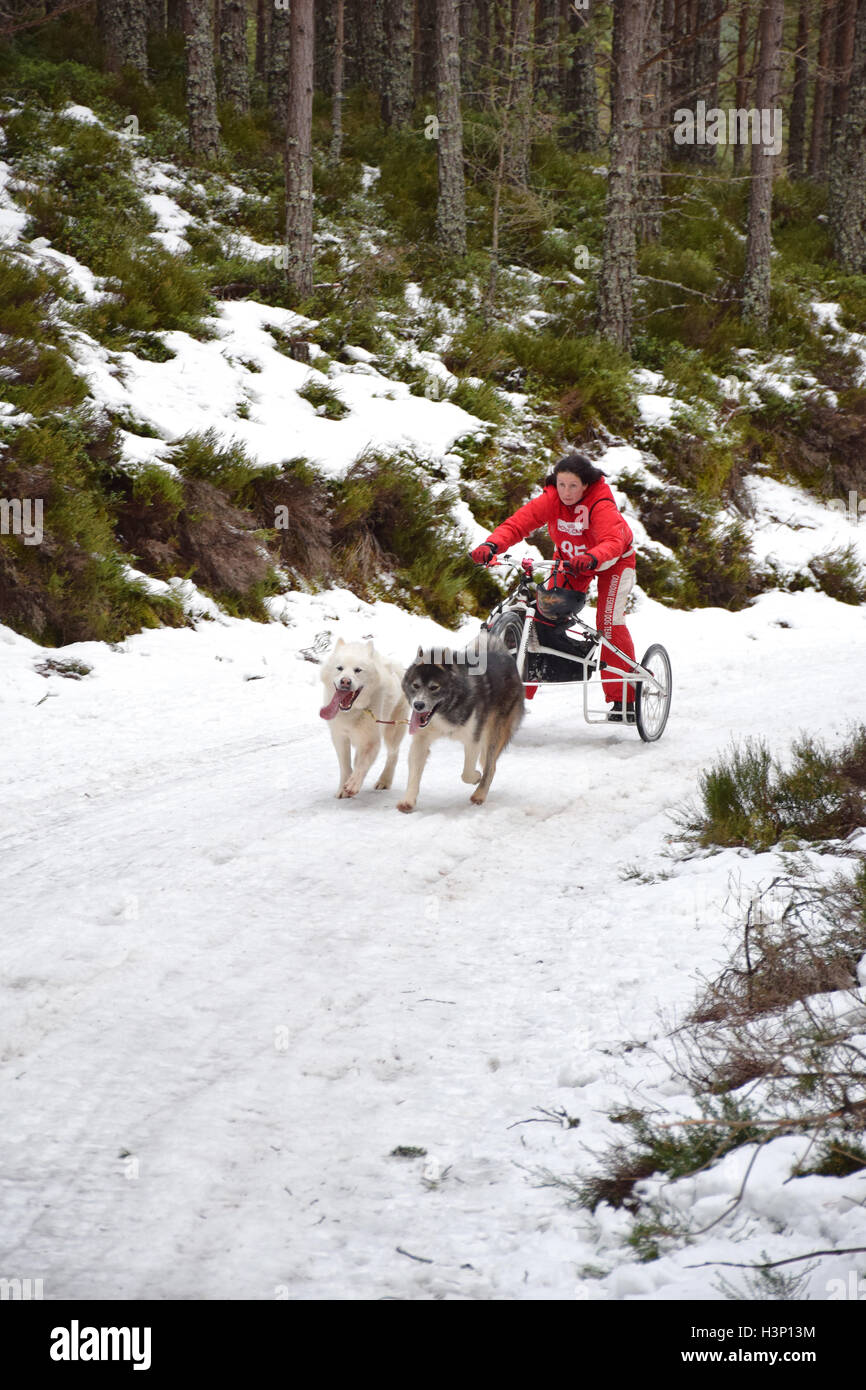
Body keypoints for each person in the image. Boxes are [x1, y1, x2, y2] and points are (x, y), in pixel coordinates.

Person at [470, 452, 637, 722]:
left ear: (585, 485)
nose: (566, 492)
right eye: (562, 485)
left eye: (573, 486)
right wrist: (491, 545)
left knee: (608, 622)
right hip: (571, 562)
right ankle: (516, 695)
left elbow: (613, 541)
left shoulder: (600, 502)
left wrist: (593, 557)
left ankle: (625, 699)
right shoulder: (551, 499)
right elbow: (518, 524)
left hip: (613, 563)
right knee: (542, 616)